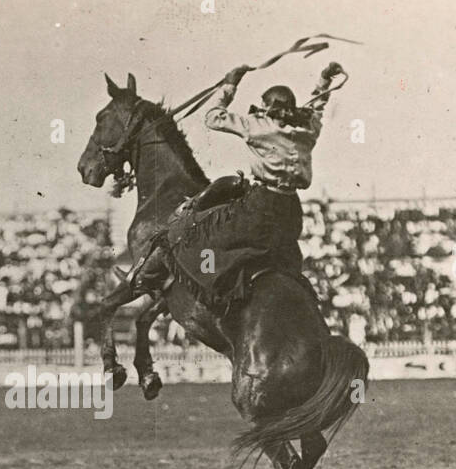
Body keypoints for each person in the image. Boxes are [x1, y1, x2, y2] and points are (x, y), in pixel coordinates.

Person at [130, 61, 345, 309]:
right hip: (291, 211)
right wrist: (324, 81)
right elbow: (317, 109)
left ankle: (195, 290)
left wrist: (230, 85)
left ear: (268, 107)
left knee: (204, 234)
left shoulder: (257, 127)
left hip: (262, 206)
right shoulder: (308, 130)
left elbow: (212, 118)